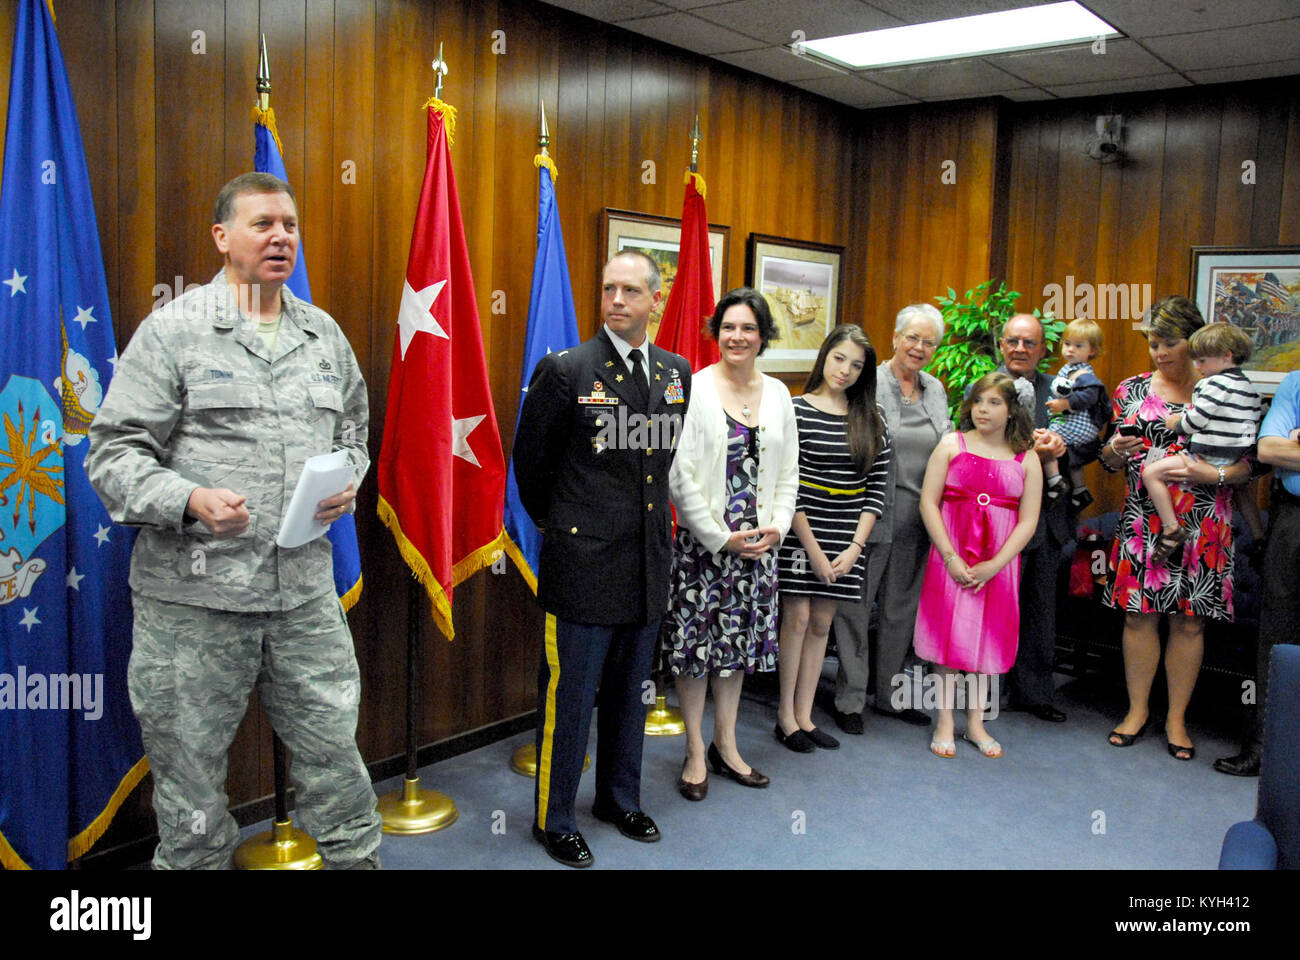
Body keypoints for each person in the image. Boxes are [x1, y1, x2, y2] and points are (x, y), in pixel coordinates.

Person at [85, 172, 381, 869]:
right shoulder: (174, 333)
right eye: (262, 224)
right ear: (222, 238)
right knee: (189, 797)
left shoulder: (323, 335)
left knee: (338, 770)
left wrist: (347, 482)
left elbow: (356, 435)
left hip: (302, 596)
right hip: (194, 605)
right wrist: (187, 500)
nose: (280, 236)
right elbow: (112, 454)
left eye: (289, 224)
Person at [512, 250, 692, 866]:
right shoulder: (567, 370)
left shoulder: (675, 373)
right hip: (584, 564)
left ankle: (618, 797)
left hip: (646, 563)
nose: (616, 300)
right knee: (572, 698)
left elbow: (657, 467)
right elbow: (531, 469)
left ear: (654, 301)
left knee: (630, 692)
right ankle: (554, 817)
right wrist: (564, 528)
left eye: (630, 291)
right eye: (609, 288)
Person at [1100, 296, 1255, 761]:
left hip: (1206, 521)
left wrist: (1217, 475)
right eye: (1153, 344)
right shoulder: (1132, 389)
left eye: (1169, 343)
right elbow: (1108, 460)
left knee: (1190, 622)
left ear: (1196, 342)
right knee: (1138, 616)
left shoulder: (1225, 389)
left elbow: (1249, 465)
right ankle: (1137, 711)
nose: (1160, 352)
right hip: (1144, 519)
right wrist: (1116, 451)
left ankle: (1177, 719)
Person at [664, 288, 797, 796]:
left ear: (763, 337)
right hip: (706, 547)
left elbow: (789, 472)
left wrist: (778, 528)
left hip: (760, 548)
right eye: (728, 327)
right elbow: (680, 476)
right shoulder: (693, 389)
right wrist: (720, 538)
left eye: (748, 328)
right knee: (697, 650)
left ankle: (727, 743)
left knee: (737, 650)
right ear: (715, 332)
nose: (737, 337)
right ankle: (695, 749)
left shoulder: (780, 395)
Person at [831, 304, 951, 733]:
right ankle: (849, 699)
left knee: (902, 609)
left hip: (920, 518)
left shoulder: (935, 389)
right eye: (912, 338)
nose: (919, 347)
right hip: (870, 512)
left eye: (929, 341)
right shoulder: (869, 380)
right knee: (856, 608)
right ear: (896, 336)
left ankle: (890, 696)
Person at [914, 372, 1042, 758]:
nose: (984, 410)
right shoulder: (952, 444)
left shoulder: (1027, 457)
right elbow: (928, 503)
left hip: (998, 564)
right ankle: (945, 721)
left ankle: (976, 722)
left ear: (1012, 409)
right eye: (979, 401)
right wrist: (951, 557)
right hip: (951, 555)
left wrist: (996, 565)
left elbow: (1028, 520)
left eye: (995, 402)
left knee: (988, 639)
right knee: (949, 638)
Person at [775, 325, 890, 752]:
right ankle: (785, 716)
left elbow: (877, 488)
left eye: (856, 365)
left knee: (823, 623)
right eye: (840, 358)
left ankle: (805, 715)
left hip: (848, 539)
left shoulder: (871, 417)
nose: (845, 370)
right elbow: (789, 483)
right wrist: (814, 550)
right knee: (798, 619)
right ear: (825, 356)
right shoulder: (795, 409)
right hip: (802, 532)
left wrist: (855, 547)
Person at [1215, 367, 1300, 776]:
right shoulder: (1296, 382)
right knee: (1277, 635)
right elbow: (1267, 450)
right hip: (1292, 520)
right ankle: (1262, 747)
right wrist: (1283, 448)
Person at [997, 314, 1070, 723]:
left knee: (1041, 608)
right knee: (996, 604)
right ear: (1002, 345)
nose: (1020, 349)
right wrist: (1027, 456)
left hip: (1049, 516)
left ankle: (1037, 693)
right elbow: (968, 444)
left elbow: (1087, 439)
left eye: (1030, 343)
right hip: (998, 513)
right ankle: (989, 689)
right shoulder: (985, 389)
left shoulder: (1060, 390)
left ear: (1043, 349)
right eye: (1014, 341)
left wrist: (1061, 444)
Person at [1142, 322, 1263, 563]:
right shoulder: (1249, 388)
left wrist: (1177, 424)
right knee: (1241, 491)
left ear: (1226, 355)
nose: (1198, 368)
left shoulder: (1214, 383)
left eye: (1202, 361)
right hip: (1232, 458)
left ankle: (1171, 529)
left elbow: (1196, 419)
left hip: (1207, 454)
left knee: (1151, 474)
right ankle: (1260, 536)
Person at [1044, 318, 1109, 512]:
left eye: (1078, 346)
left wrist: (1065, 404)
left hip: (1081, 425)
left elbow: (1090, 395)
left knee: (1048, 441)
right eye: (1067, 344)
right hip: (1074, 423)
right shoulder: (1069, 369)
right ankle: (1080, 490)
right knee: (1074, 463)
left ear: (1092, 351)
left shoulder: (1084, 374)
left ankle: (1055, 481)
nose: (1070, 349)